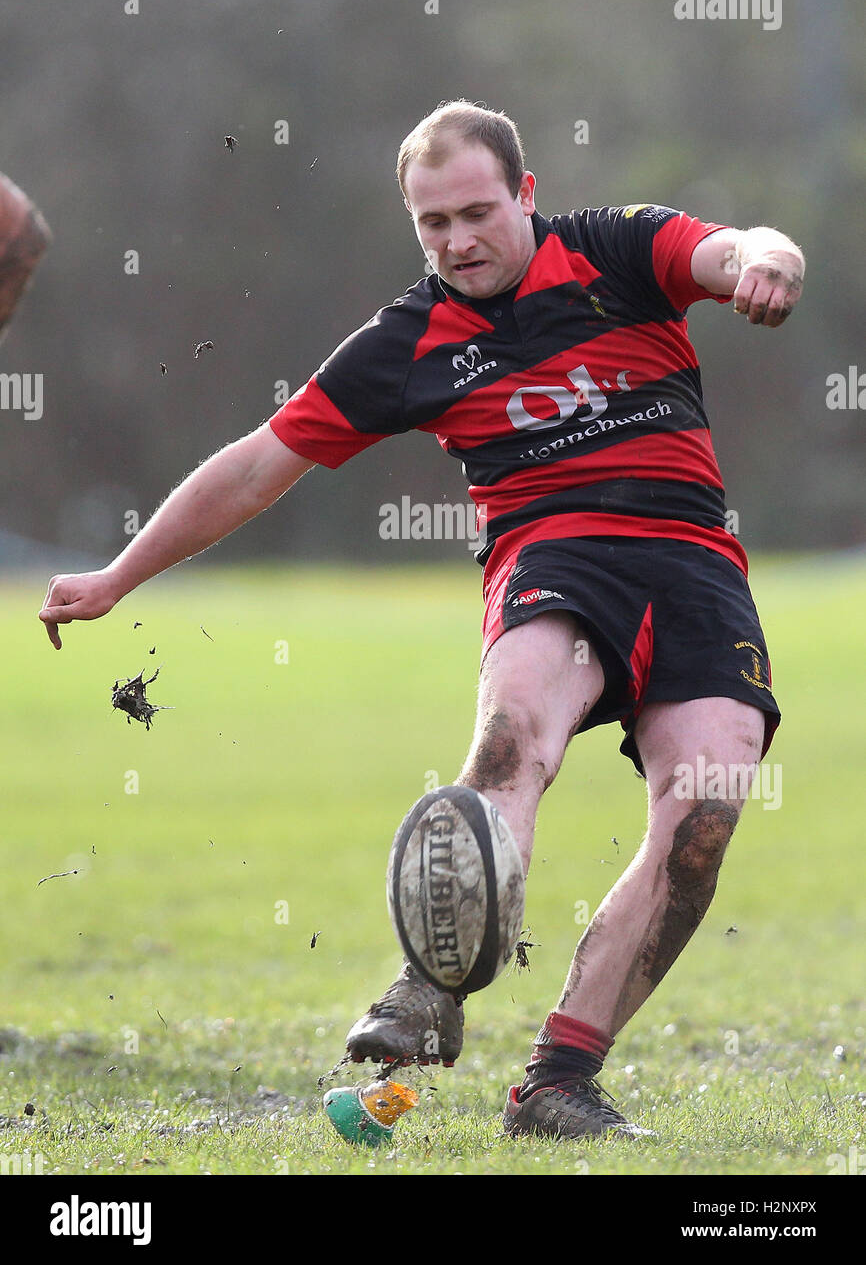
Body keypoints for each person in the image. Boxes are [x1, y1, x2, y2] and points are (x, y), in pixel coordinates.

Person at [39, 100, 804, 1142]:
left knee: (703, 817)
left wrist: (770, 262)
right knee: (512, 738)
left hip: (693, 563)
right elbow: (260, 465)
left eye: (477, 213)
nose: (457, 241)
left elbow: (737, 244)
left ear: (525, 195)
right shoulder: (408, 341)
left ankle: (556, 1083)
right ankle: (431, 972)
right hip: (553, 558)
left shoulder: (617, 251)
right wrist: (122, 574)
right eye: (431, 223)